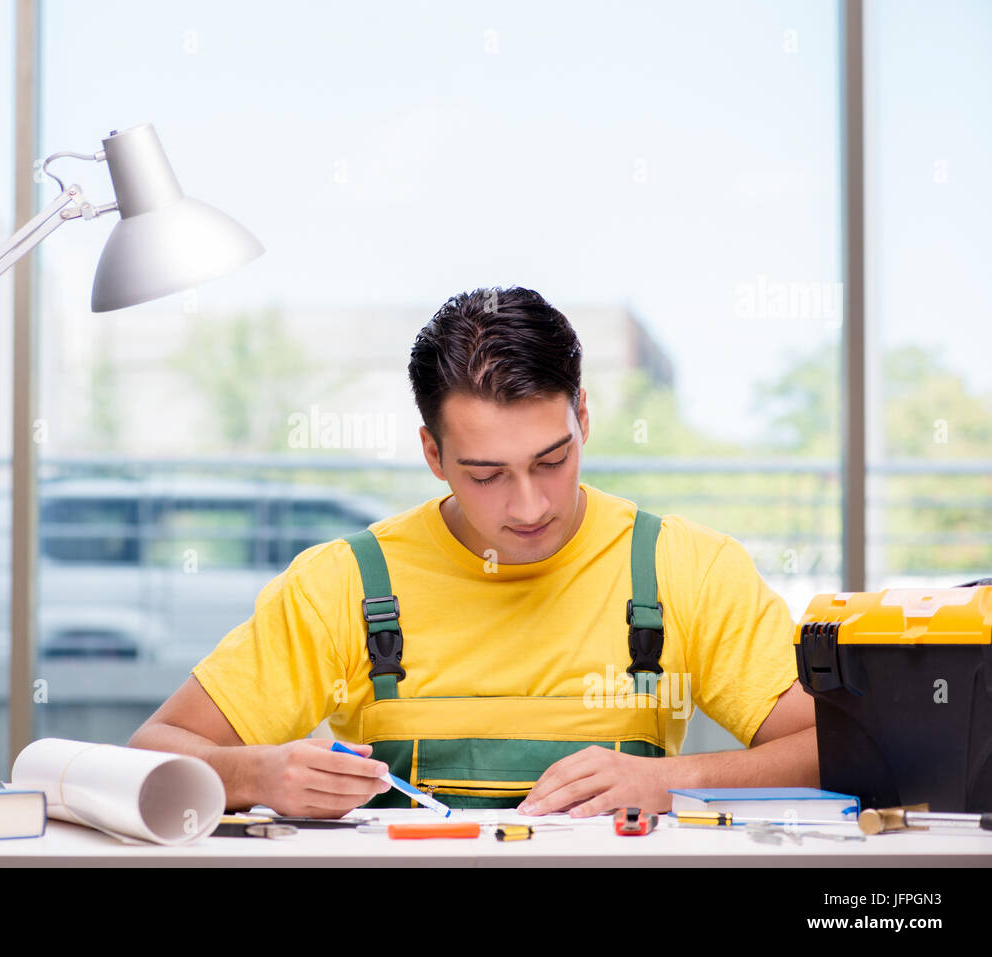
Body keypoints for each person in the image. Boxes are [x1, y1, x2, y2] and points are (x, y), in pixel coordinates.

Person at [128, 286, 818, 818]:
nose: (530, 505)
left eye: (552, 459)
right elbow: (153, 752)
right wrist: (255, 774)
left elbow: (838, 749)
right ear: (433, 453)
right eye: (487, 475)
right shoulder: (345, 583)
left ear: (583, 415)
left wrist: (673, 781)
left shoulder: (682, 568)